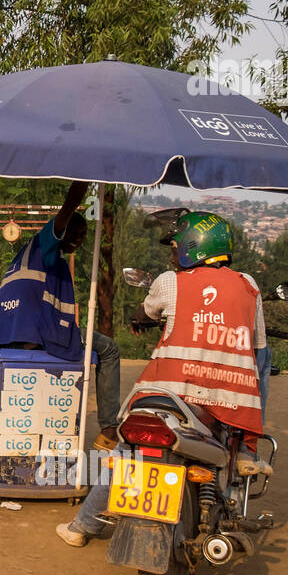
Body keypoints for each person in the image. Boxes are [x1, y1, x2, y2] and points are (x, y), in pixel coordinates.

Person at [56, 211, 269, 547]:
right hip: (227, 404)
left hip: (166, 395)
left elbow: (149, 311)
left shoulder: (169, 282)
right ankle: (247, 449)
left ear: (191, 247)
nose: (173, 253)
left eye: (175, 246)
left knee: (126, 454)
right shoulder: (249, 285)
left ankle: (81, 527)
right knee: (263, 361)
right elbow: (257, 352)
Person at [0, 180, 123, 447]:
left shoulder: (30, 256)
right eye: (75, 234)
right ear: (62, 229)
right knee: (109, 350)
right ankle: (109, 429)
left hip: (7, 328)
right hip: (33, 332)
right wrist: (82, 181)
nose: (78, 241)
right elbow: (67, 209)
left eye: (83, 237)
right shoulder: (44, 245)